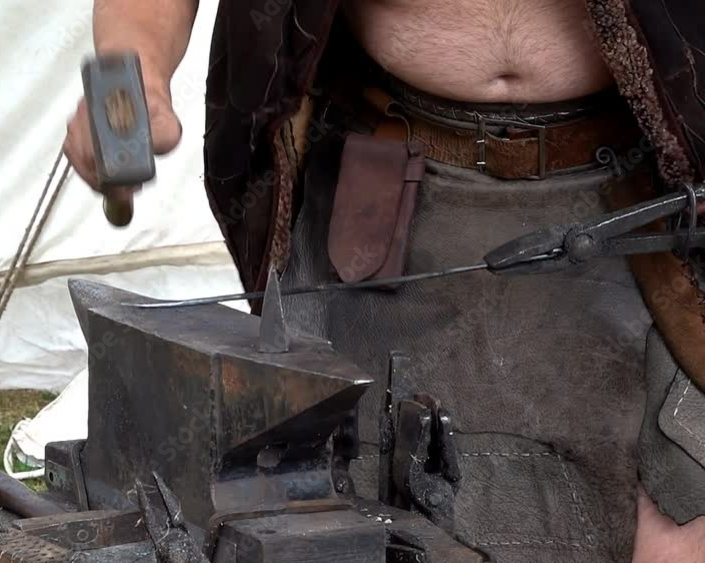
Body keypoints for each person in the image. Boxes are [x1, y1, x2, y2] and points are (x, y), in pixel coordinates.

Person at [64, 1, 705, 561]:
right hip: (384, 198)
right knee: (348, 511)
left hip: (656, 204)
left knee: (681, 505)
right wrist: (136, 70)